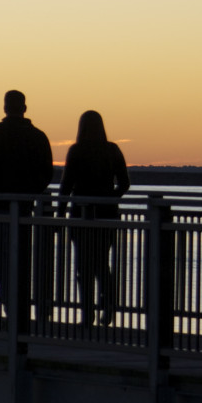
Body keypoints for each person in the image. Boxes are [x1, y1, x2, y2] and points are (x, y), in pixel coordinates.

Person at [0, 90, 53, 314]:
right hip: (24, 208)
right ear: (24, 108)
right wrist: (30, 193)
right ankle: (23, 308)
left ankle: (10, 307)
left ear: (5, 108)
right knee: (22, 259)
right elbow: (47, 172)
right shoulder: (38, 135)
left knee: (0, 259)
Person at [59, 110, 130, 325]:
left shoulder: (76, 151)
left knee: (83, 266)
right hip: (107, 216)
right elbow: (124, 183)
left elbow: (66, 186)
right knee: (101, 264)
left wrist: (60, 214)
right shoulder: (112, 150)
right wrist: (110, 198)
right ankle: (108, 306)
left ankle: (87, 314)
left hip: (80, 215)